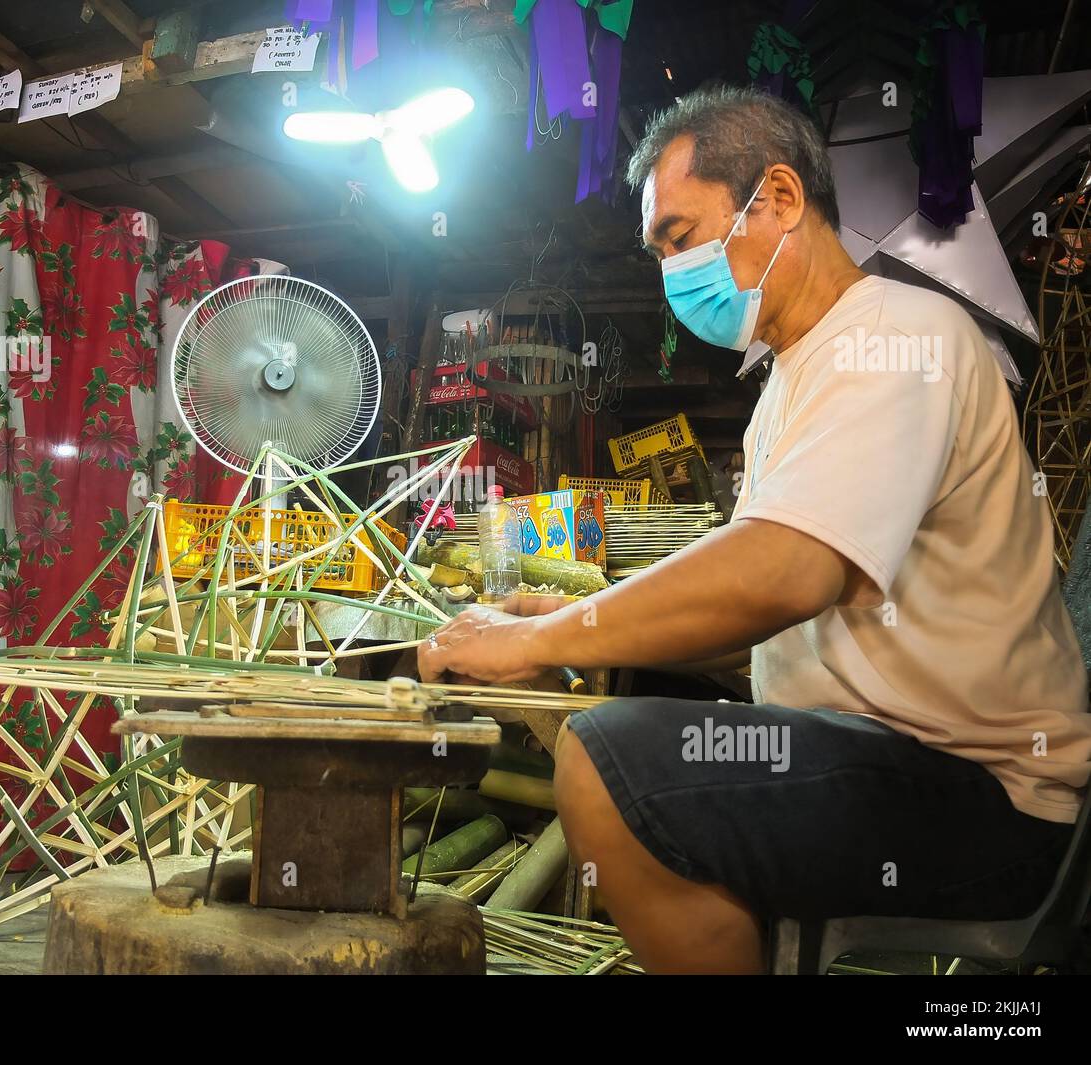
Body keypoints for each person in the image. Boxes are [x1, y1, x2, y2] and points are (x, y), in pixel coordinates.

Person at [417, 85, 1091, 974]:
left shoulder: (896, 337)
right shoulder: (792, 381)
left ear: (777, 198)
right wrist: (584, 617)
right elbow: (774, 620)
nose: (669, 274)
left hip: (985, 799)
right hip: (880, 762)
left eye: (681, 237)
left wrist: (540, 633)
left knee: (608, 763)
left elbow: (785, 573)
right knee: (639, 720)